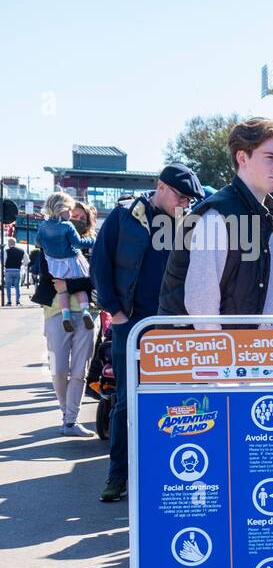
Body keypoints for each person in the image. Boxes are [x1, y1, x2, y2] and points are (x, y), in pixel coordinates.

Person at [91, 162, 203, 503]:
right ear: (162, 187)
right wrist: (117, 312)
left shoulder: (190, 222)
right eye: (181, 197)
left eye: (189, 200)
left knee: (176, 404)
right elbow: (101, 262)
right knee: (127, 401)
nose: (184, 204)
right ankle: (118, 476)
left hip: (174, 328)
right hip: (133, 325)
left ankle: (166, 474)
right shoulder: (125, 215)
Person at [158, 118, 273, 322]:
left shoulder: (269, 214)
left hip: (271, 350)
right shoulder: (217, 216)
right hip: (238, 351)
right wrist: (225, 353)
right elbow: (202, 307)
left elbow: (267, 290)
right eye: (271, 158)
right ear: (242, 157)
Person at [32, 251, 95, 436]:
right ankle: (67, 414)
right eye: (72, 218)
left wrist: (69, 284)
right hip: (55, 313)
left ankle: (70, 420)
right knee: (58, 370)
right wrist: (78, 281)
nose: (77, 219)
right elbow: (50, 275)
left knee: (79, 371)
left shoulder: (91, 246)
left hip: (88, 315)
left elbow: (97, 278)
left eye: (83, 218)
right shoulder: (49, 243)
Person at [35, 193, 96, 331]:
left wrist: (49, 246)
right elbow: (78, 243)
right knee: (80, 290)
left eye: (83, 218)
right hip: (72, 262)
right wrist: (93, 241)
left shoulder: (44, 226)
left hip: (55, 266)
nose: (78, 220)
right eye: (73, 215)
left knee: (63, 292)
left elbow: (37, 242)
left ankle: (66, 316)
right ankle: (84, 312)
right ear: (63, 209)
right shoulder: (67, 226)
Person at [3, 237, 24, 306]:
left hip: (8, 270)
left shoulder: (6, 251)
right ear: (15, 243)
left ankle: (9, 301)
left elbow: (3, 261)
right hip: (17, 270)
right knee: (17, 286)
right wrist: (21, 264)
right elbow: (27, 260)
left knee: (8, 287)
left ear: (9, 243)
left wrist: (5, 266)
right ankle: (18, 301)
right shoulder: (21, 251)